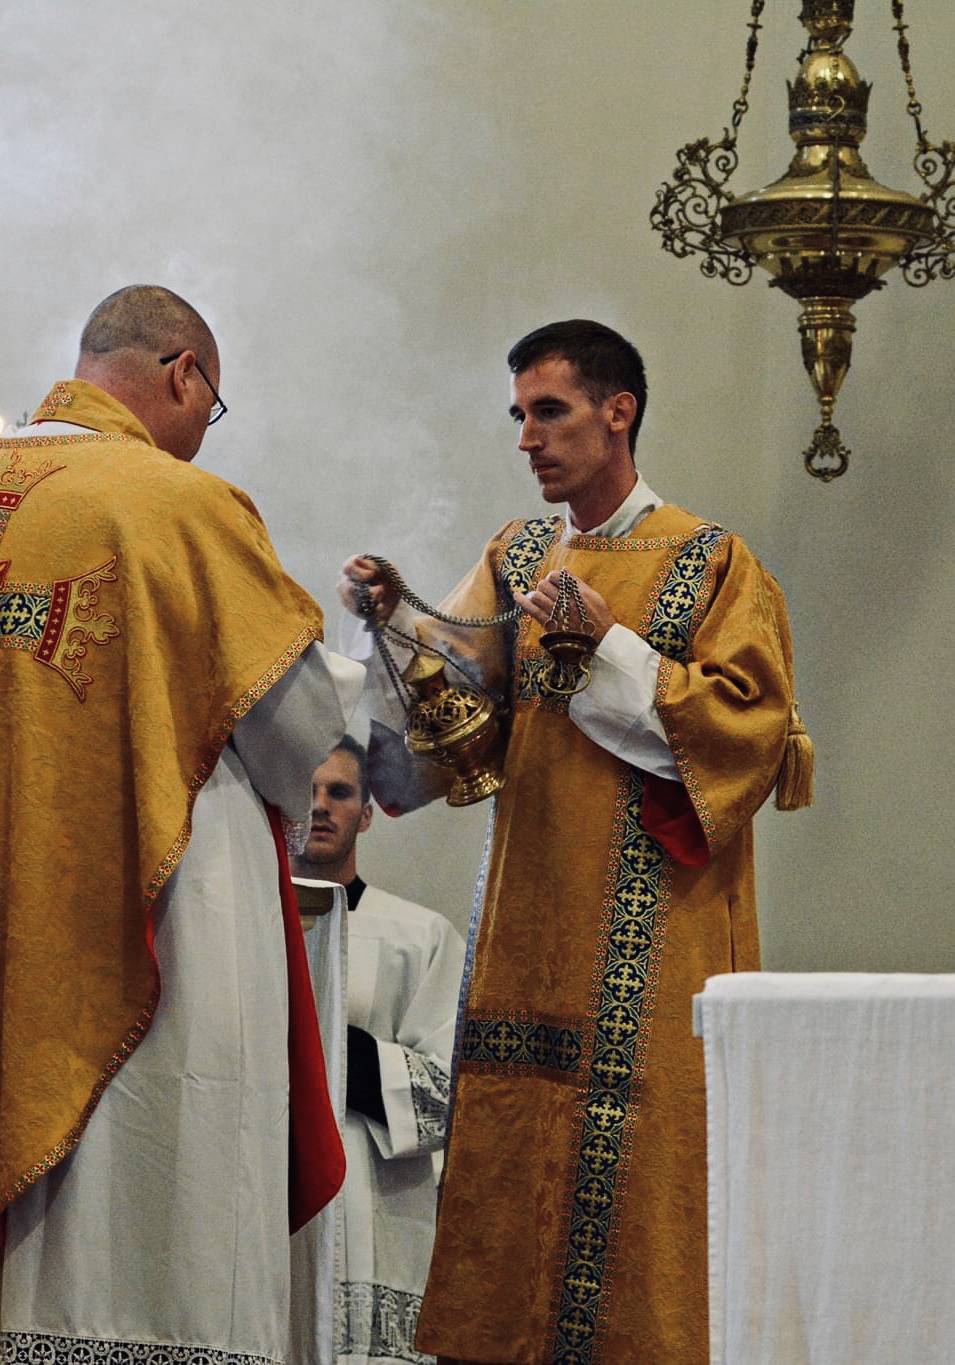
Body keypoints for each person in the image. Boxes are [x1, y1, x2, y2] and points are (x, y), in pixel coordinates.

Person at [0, 284, 357, 1362]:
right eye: (208, 403)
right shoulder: (176, 503)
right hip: (104, 935)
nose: (200, 432)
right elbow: (298, 734)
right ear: (183, 373)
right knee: (112, 1216)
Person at [342, 319, 811, 1362]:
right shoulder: (514, 555)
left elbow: (749, 733)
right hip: (524, 925)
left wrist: (605, 645)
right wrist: (395, 623)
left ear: (617, 411)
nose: (526, 438)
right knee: (512, 1157)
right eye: (517, 415)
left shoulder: (708, 562)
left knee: (640, 1189)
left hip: (654, 944)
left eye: (547, 411)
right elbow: (460, 738)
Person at [291, 736, 461, 1365]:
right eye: (308, 792)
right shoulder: (238, 925)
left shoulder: (419, 937)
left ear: (365, 813)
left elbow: (448, 1093)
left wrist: (322, 1048)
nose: (320, 806)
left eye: (338, 792)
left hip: (371, 1197)